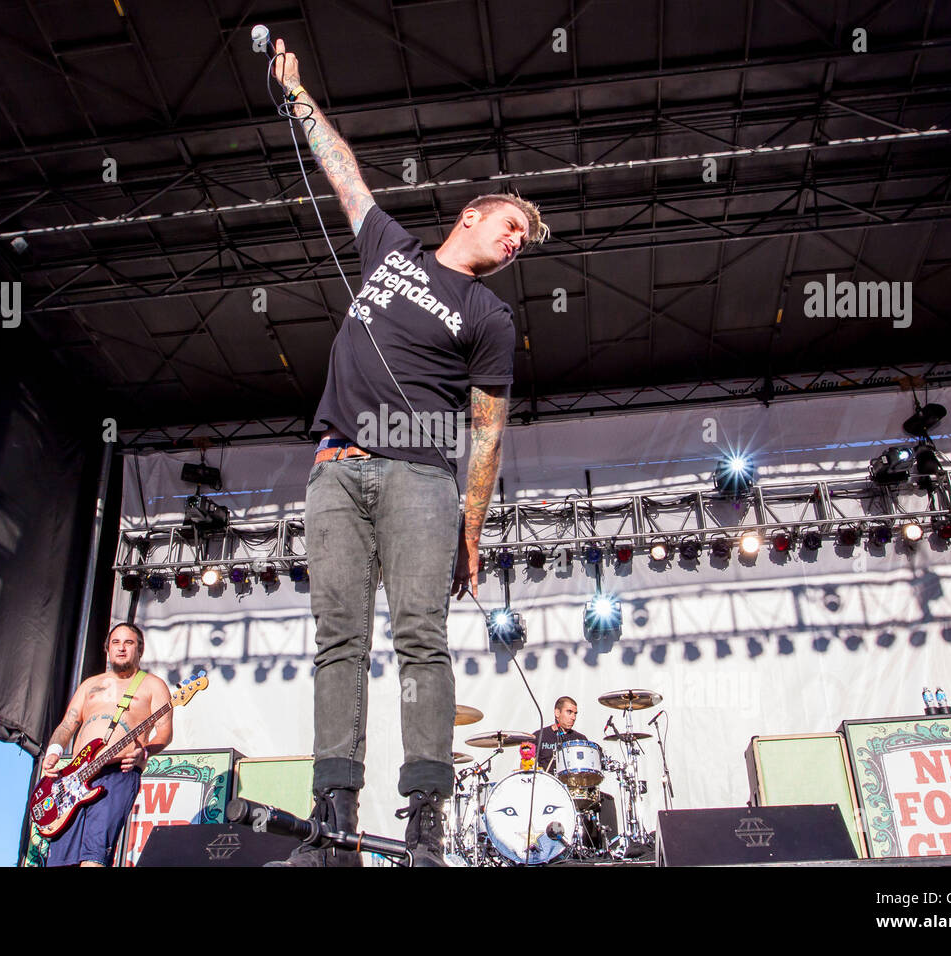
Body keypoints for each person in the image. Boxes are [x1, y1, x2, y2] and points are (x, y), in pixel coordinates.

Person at [268, 38, 547, 867]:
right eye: (511, 228)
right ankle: (333, 822)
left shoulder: (491, 320)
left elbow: (489, 431)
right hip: (335, 470)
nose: (516, 244)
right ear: (472, 215)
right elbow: (344, 174)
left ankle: (425, 821)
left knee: (421, 637)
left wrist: (472, 526)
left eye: (525, 243)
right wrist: (298, 96)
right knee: (337, 642)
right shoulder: (389, 247)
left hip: (422, 481)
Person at [40, 622, 171, 867]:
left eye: (129, 643)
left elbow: (164, 732)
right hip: (74, 777)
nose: (121, 649)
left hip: (117, 773)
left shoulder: (152, 685)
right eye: (116, 643)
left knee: (95, 855)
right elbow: (67, 724)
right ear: (107, 648)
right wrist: (54, 751)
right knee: (59, 860)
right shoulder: (90, 684)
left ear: (139, 650)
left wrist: (144, 751)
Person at [532, 696, 618, 849]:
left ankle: (602, 848)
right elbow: (527, 767)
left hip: (573, 792)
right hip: (547, 792)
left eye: (575, 713)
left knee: (605, 801)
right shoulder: (539, 736)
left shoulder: (580, 739)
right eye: (569, 712)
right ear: (557, 713)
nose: (573, 717)